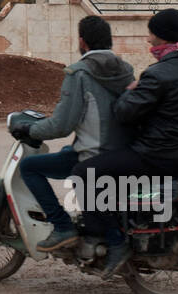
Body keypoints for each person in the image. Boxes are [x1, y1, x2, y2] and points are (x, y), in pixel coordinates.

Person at [77, 8, 178, 279]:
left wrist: (130, 91)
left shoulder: (159, 73)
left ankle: (114, 243)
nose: (148, 39)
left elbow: (124, 113)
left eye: (151, 34)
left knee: (85, 173)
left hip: (154, 155)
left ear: (162, 36)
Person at [17, 15, 134, 252]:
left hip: (93, 156)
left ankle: (62, 227)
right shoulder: (126, 71)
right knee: (67, 151)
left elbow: (61, 125)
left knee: (28, 167)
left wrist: (31, 129)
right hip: (122, 153)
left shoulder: (79, 74)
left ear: (82, 41)